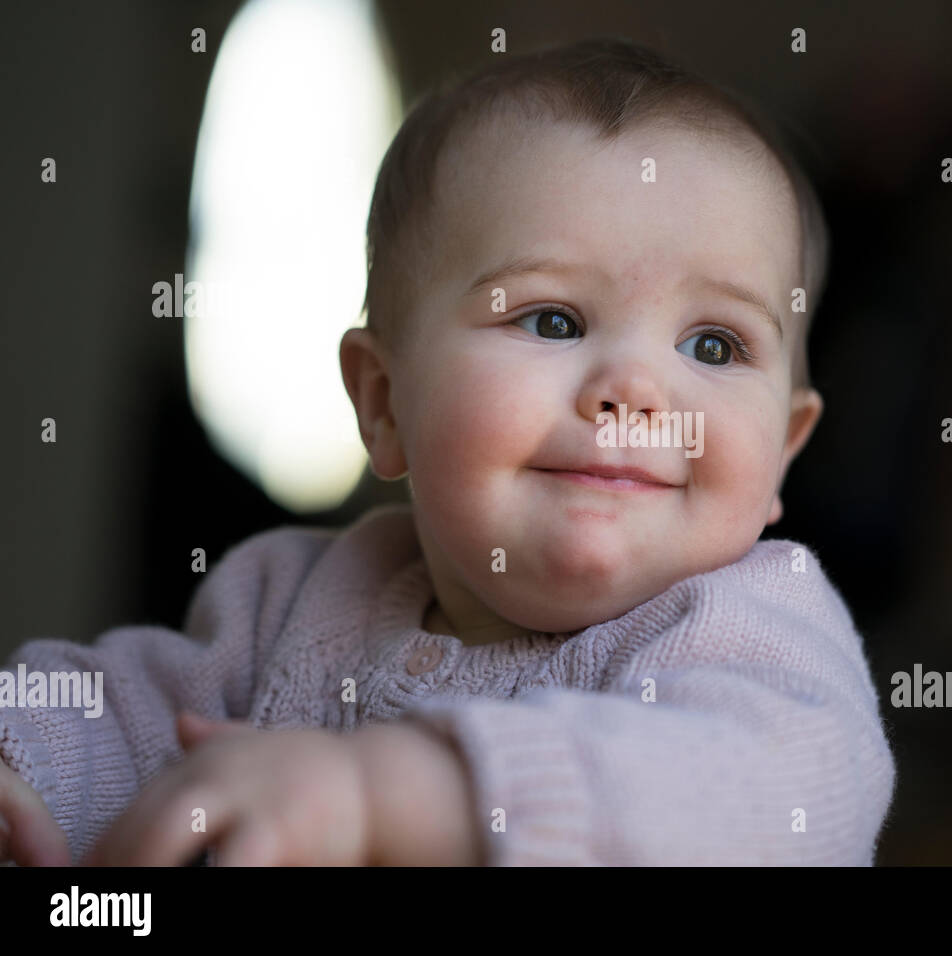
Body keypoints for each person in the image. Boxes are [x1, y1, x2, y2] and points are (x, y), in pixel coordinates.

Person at [0, 37, 895, 866]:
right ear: (385, 403)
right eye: (552, 320)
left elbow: (761, 798)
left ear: (783, 451)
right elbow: (118, 720)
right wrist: (24, 763)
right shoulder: (291, 600)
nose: (635, 390)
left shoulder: (759, 637)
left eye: (714, 346)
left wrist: (381, 792)